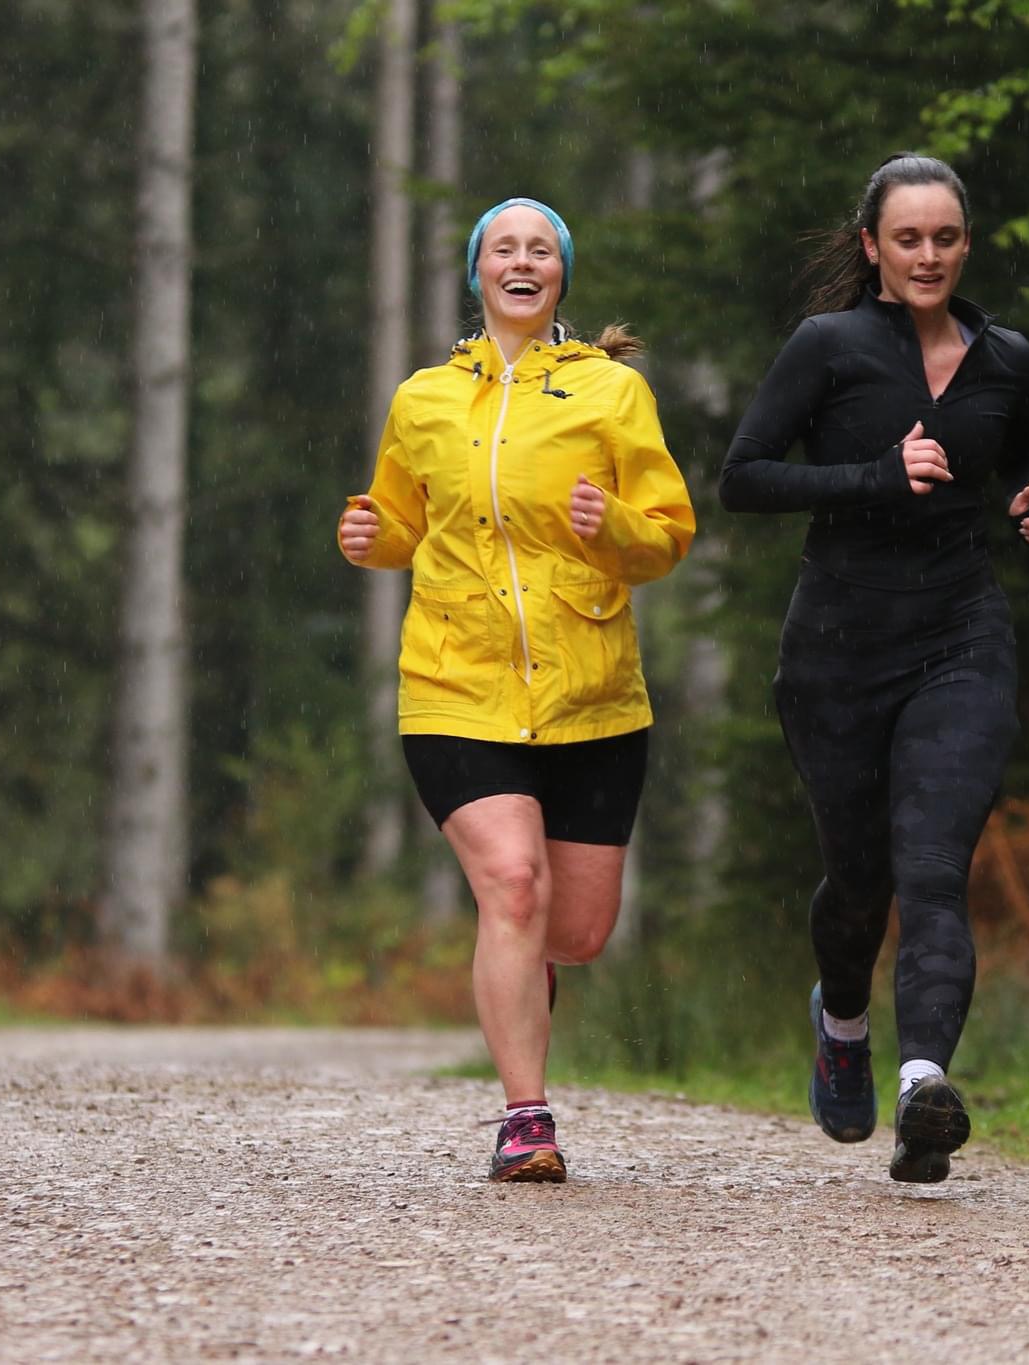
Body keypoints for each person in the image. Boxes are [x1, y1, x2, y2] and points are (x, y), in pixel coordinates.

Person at [719, 154, 1029, 1184]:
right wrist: (876, 475)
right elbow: (742, 478)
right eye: (906, 239)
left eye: (944, 239)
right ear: (870, 247)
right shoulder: (826, 346)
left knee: (931, 869)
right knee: (859, 884)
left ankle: (923, 1088)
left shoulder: (1005, 355)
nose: (927, 256)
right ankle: (840, 1018)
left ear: (966, 244)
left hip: (959, 634)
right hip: (835, 646)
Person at [338, 197, 695, 1183]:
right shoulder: (422, 400)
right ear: (478, 272)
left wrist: (609, 523)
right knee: (513, 884)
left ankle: (526, 967)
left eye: (541, 249)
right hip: (454, 685)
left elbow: (666, 535)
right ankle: (525, 1119)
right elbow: (405, 522)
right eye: (505, 248)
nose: (522, 260)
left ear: (560, 278)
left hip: (590, 695)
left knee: (573, 933)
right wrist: (378, 542)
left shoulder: (610, 392)